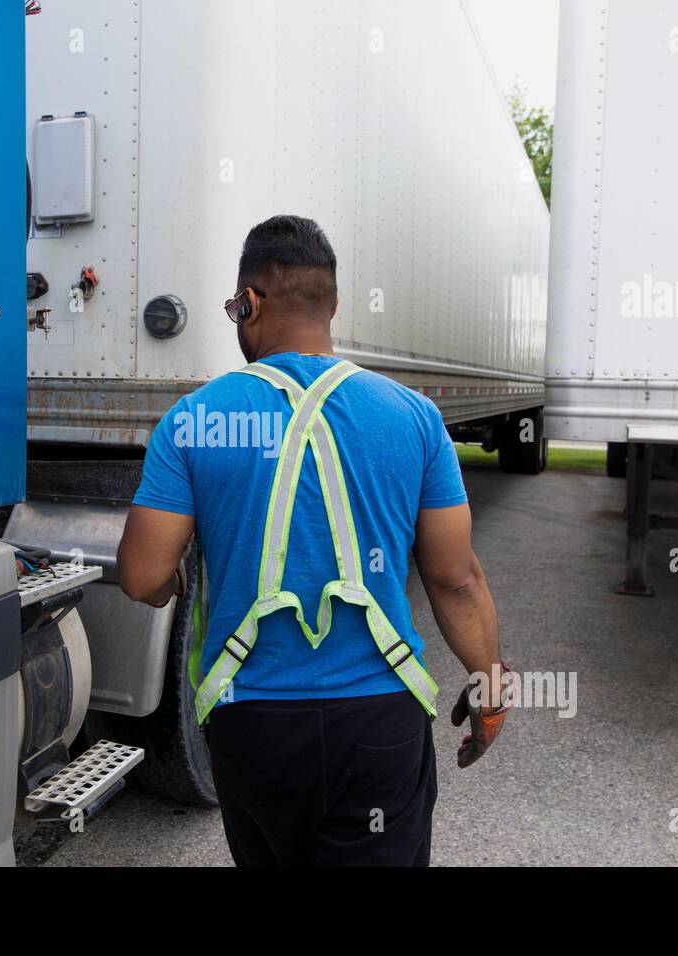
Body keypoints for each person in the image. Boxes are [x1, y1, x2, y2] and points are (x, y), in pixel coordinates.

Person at [117, 214, 509, 866]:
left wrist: (174, 581)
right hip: (378, 721)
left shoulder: (195, 420)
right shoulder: (413, 416)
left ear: (249, 303)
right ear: (332, 306)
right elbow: (456, 578)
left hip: (252, 724)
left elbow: (141, 578)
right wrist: (491, 686)